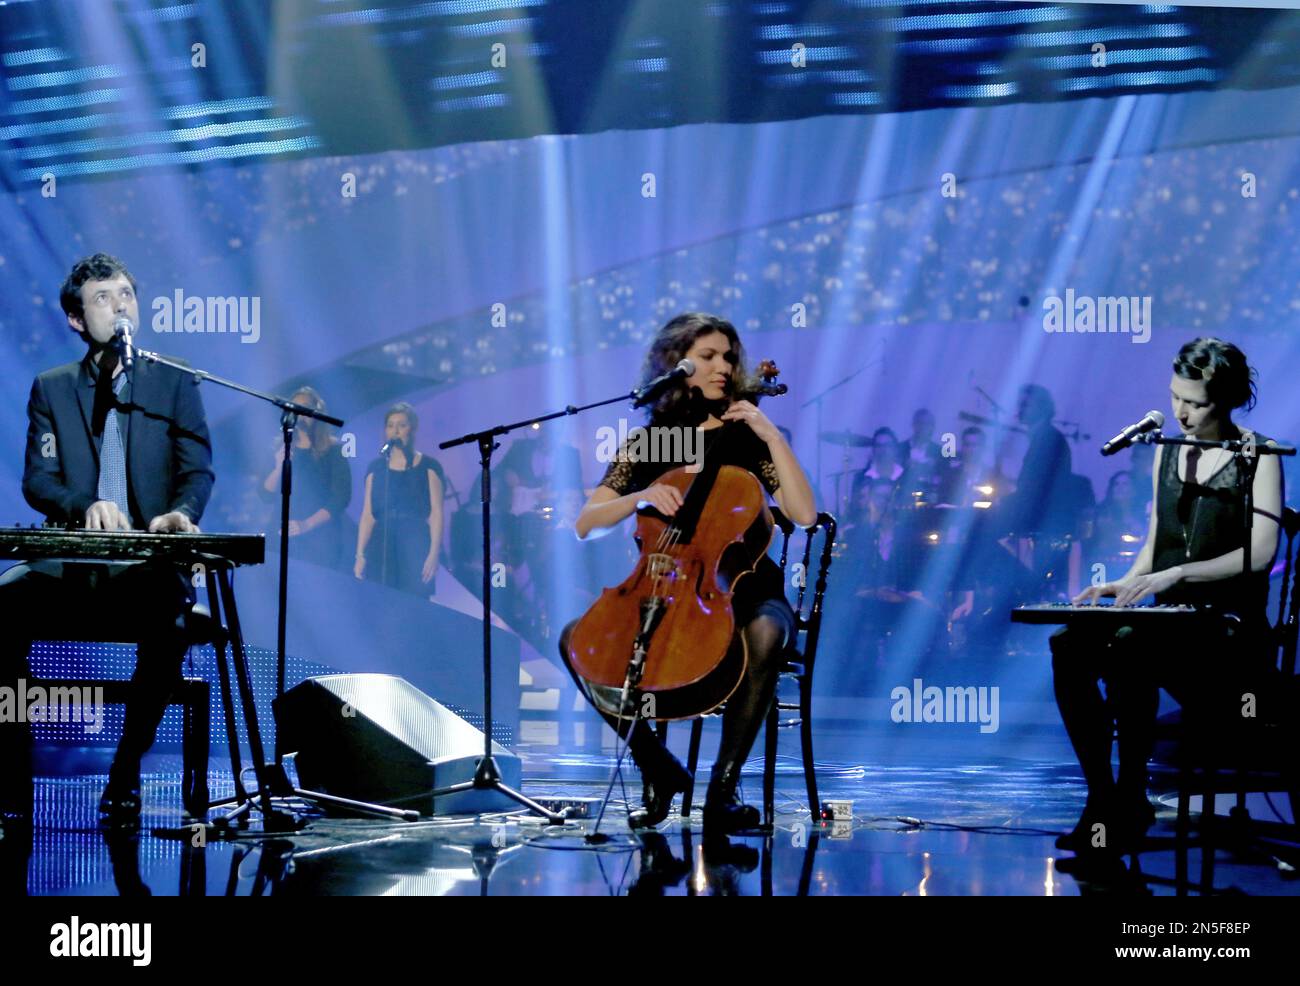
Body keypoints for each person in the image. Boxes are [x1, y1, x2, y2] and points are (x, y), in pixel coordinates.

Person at [559, 312, 816, 834]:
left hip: (742, 589)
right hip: (663, 587)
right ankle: (658, 767)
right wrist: (641, 494)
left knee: (766, 630)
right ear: (676, 364)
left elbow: (804, 514)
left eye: (728, 356)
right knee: (576, 641)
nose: (723, 366)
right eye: (708, 356)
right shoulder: (655, 442)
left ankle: (723, 790)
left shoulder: (748, 436)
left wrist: (772, 436)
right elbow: (587, 521)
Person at [1051, 338, 1286, 861]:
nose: (1182, 411)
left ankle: (1129, 798)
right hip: (1171, 624)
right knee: (1069, 644)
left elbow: (1262, 553)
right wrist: (1126, 582)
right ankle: (1104, 796)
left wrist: (1177, 573)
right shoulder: (1170, 452)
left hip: (1228, 631)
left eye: (1196, 402)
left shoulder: (1260, 457)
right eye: (1176, 396)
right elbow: (1156, 543)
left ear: (1223, 399)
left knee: (1133, 648)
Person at [0, 253, 214, 827]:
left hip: (147, 567)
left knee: (169, 622)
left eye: (126, 294)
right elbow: (37, 480)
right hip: (70, 562)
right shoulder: (53, 388)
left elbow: (197, 472)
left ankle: (124, 772)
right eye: (102, 297)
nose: (120, 305)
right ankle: (11, 779)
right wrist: (83, 504)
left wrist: (179, 513)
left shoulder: (174, 381)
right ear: (76, 319)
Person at [354, 402, 443, 596]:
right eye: (390, 425)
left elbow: (436, 513)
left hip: (415, 540)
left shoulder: (428, 466)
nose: (396, 431)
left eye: (402, 425)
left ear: (412, 429)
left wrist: (433, 554)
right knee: (381, 601)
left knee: (415, 602)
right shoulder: (376, 468)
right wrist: (360, 554)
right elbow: (368, 514)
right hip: (382, 541)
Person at [261, 386, 351, 569]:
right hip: (280, 535)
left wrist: (306, 525)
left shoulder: (333, 451)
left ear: (315, 413)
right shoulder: (282, 447)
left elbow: (340, 498)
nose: (299, 413)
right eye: (295, 407)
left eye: (305, 407)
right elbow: (265, 495)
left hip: (319, 540)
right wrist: (279, 467)